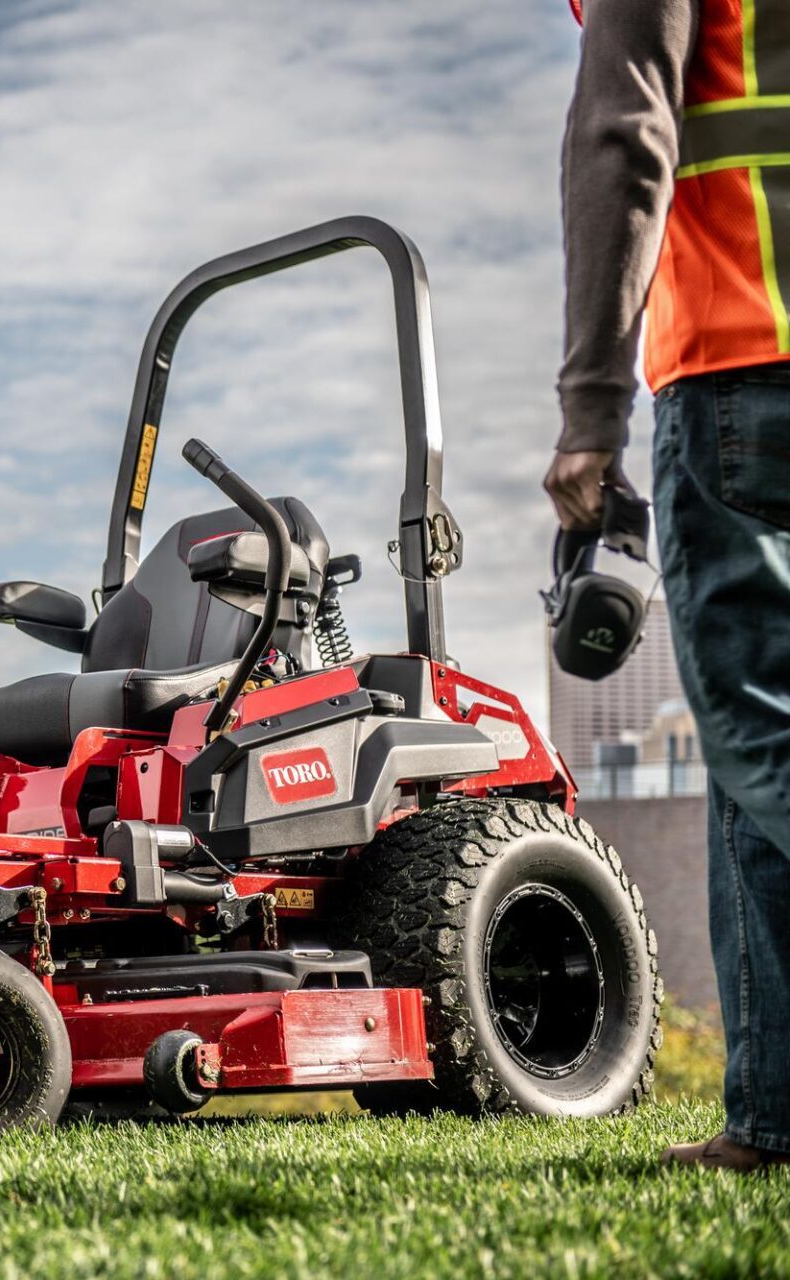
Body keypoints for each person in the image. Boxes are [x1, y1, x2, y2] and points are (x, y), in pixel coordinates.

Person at [549, 0, 790, 1171]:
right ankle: (776, 1117)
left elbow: (624, 132)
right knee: (750, 771)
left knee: (759, 736)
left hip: (748, 366)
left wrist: (591, 410)